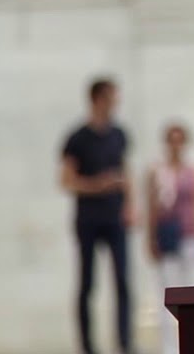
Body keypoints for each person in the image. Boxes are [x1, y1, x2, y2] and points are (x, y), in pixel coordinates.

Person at [60, 77, 136, 354]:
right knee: (87, 284)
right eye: (111, 98)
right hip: (89, 219)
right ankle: (87, 345)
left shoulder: (119, 135)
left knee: (123, 281)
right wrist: (97, 185)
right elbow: (66, 180)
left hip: (115, 217)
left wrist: (130, 205)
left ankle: (125, 342)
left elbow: (126, 173)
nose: (115, 104)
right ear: (97, 99)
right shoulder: (77, 138)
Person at [146, 123, 194, 354]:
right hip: (168, 235)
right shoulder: (158, 172)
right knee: (166, 289)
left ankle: (192, 341)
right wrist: (151, 238)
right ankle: (169, 348)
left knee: (192, 288)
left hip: (189, 233)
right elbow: (152, 205)